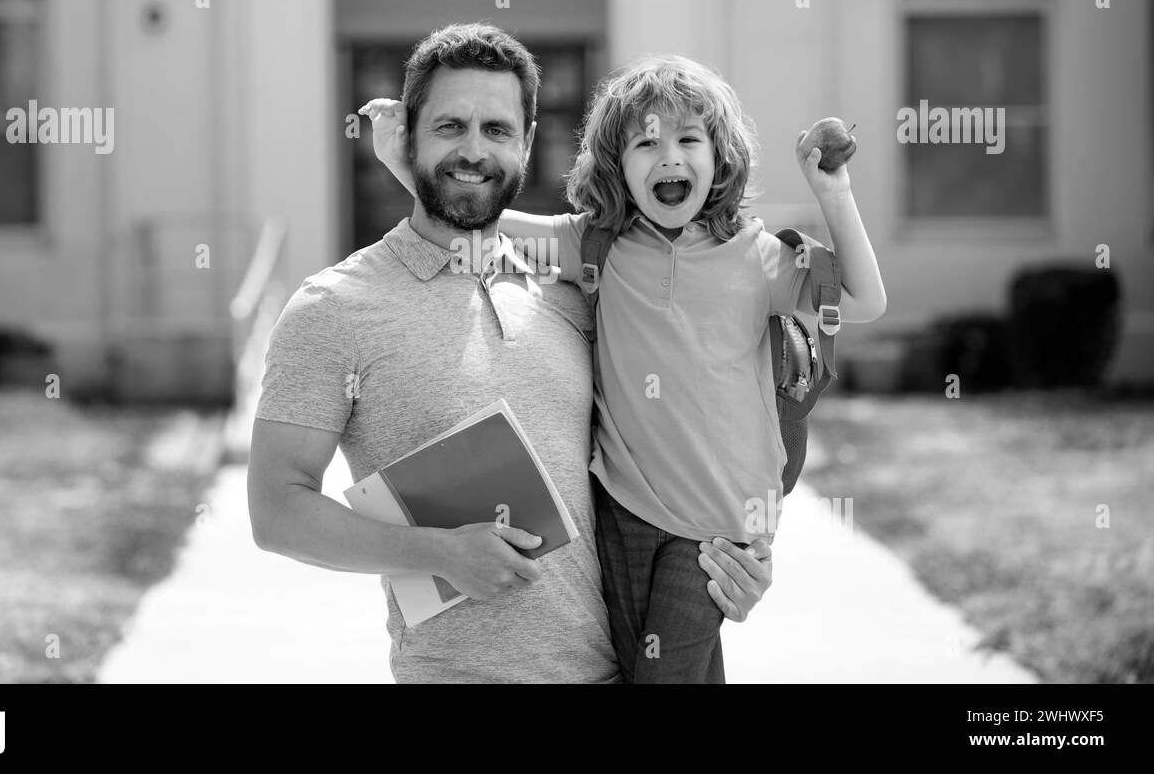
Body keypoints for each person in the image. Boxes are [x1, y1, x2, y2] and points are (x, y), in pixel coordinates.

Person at [248, 24, 773, 683]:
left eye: (496, 130)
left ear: (526, 142)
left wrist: (736, 557)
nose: (474, 150)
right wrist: (437, 552)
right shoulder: (334, 308)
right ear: (409, 139)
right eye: (450, 126)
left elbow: (691, 428)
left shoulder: (574, 292)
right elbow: (277, 511)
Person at [365, 52, 886, 683]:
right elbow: (479, 230)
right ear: (617, 166)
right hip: (625, 511)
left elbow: (862, 299)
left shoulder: (757, 256)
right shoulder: (594, 245)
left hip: (719, 529)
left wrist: (834, 192)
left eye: (689, 139)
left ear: (720, 157)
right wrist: (401, 162)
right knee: (651, 668)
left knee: (665, 672)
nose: (669, 157)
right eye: (646, 143)